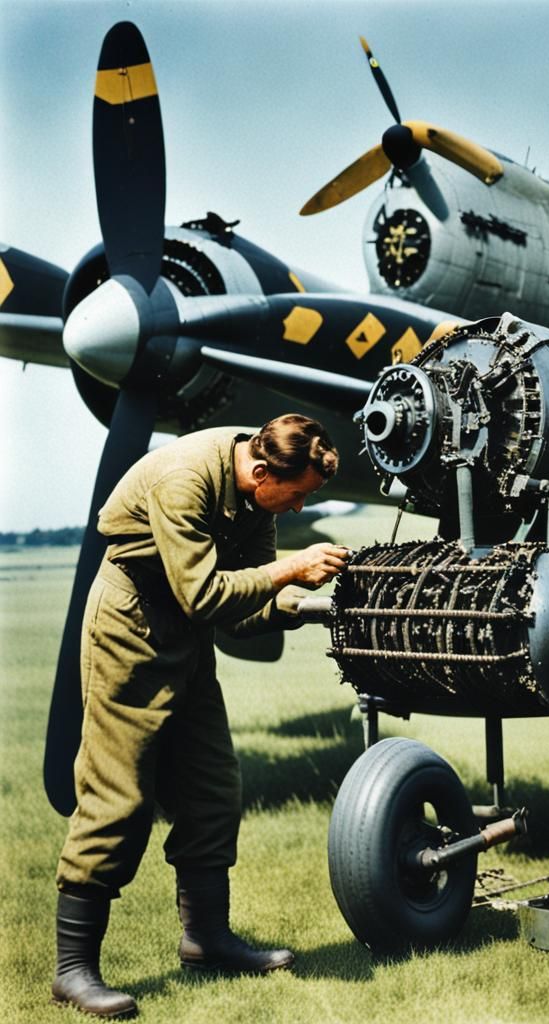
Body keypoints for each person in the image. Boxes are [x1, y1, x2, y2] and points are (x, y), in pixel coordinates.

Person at [52, 414, 352, 1018]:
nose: (296, 511)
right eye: (295, 497)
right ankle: (72, 970)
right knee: (118, 797)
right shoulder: (185, 479)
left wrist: (304, 602)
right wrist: (289, 570)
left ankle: (206, 939)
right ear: (262, 472)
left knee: (214, 791)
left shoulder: (260, 498)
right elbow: (204, 595)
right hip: (130, 629)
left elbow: (238, 613)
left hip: (187, 640)